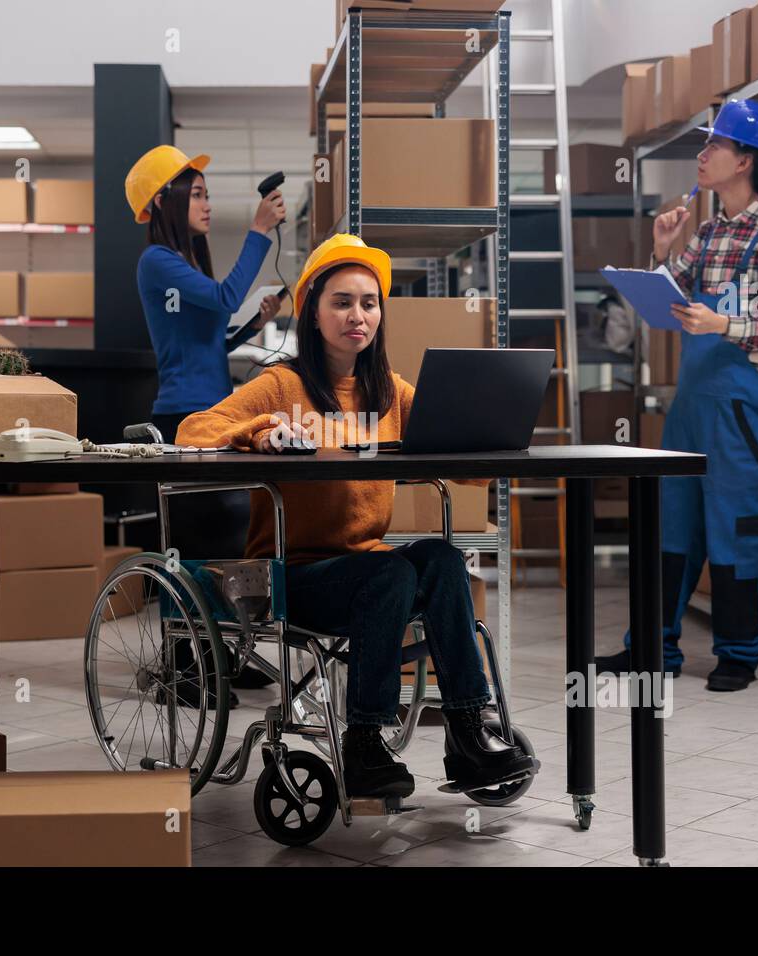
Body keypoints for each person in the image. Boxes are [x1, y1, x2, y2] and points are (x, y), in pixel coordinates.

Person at [177, 235, 538, 798]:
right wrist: (262, 433)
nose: (358, 315)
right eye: (342, 302)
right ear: (313, 312)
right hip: (292, 576)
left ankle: (468, 733)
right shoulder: (280, 384)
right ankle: (365, 741)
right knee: (391, 571)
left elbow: (457, 456)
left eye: (369, 303)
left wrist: (493, 433)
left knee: (441, 558)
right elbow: (193, 430)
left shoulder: (390, 392)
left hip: (367, 575)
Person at [596, 99, 758, 692]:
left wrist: (724, 326)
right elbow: (668, 302)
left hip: (739, 411)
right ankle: (651, 650)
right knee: (669, 527)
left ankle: (739, 655)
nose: (702, 153)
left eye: (714, 145)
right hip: (690, 406)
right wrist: (660, 251)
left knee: (735, 528)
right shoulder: (711, 232)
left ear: (745, 160)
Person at [126, 144, 287, 692]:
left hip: (212, 418)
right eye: (196, 194)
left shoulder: (181, 263)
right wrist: (261, 231)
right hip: (183, 419)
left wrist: (253, 324)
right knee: (193, 550)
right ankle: (187, 668)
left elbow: (208, 339)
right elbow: (222, 298)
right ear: (166, 200)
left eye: (207, 194)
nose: (207, 203)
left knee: (226, 544)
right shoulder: (158, 262)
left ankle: (224, 654)